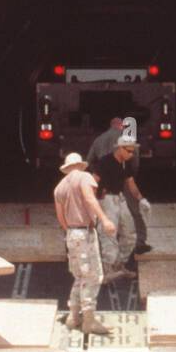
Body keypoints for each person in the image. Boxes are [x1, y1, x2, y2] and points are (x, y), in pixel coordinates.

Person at [53, 152, 117, 336]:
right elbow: (89, 199)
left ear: (67, 168)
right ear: (80, 165)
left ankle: (73, 317)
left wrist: (71, 231)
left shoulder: (59, 188)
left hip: (71, 234)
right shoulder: (84, 177)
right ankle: (89, 321)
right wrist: (104, 219)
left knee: (79, 276)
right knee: (92, 276)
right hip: (84, 232)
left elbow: (60, 217)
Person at [87, 116, 152, 257]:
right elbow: (134, 164)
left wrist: (98, 173)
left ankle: (113, 255)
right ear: (121, 126)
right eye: (129, 151)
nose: (131, 153)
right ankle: (138, 244)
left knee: (113, 224)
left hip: (110, 190)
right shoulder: (125, 139)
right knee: (131, 215)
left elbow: (89, 160)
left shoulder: (99, 140)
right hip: (114, 188)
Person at [92, 130, 142, 282]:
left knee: (130, 233)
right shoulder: (105, 162)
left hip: (120, 199)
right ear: (120, 148)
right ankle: (108, 269)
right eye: (129, 151)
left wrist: (141, 200)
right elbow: (93, 182)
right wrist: (93, 204)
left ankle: (119, 265)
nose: (131, 154)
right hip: (106, 199)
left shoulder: (125, 163)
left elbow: (131, 183)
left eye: (133, 152)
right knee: (109, 234)